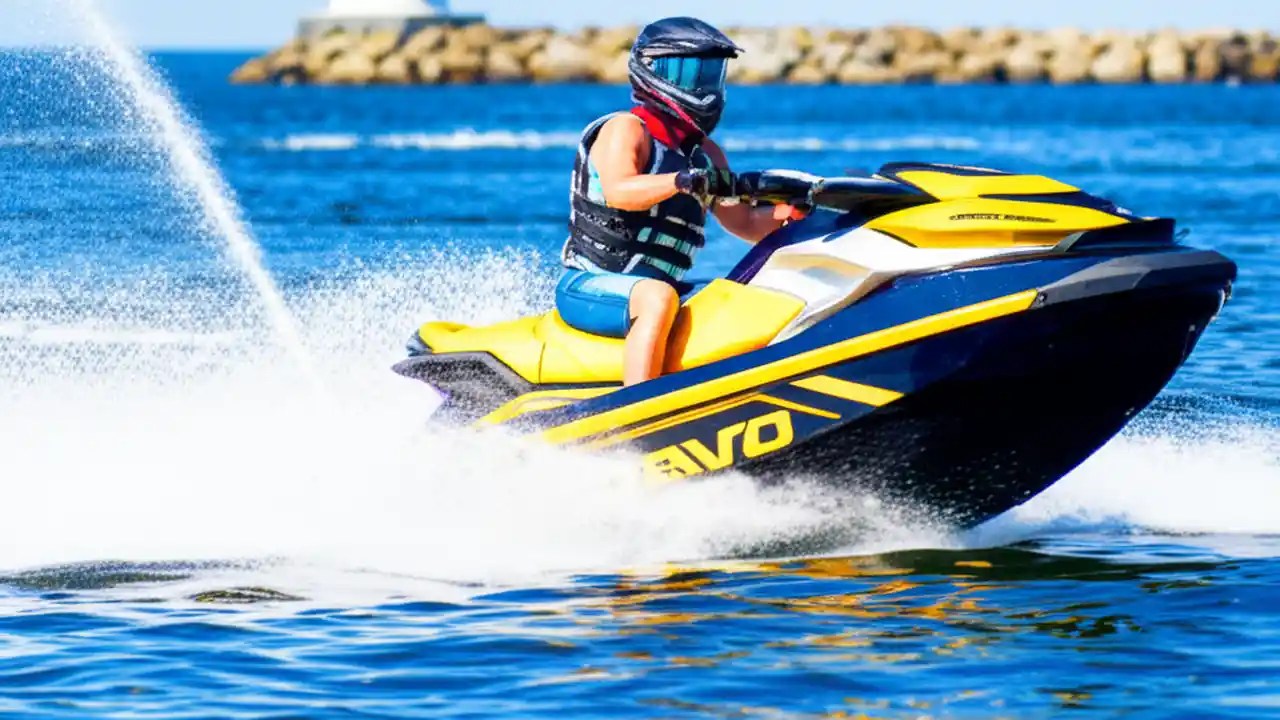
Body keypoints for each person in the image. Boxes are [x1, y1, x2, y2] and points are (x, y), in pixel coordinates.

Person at [555, 16, 804, 386]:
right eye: (690, 74)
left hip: (660, 289)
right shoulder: (626, 129)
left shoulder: (707, 155)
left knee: (740, 301)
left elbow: (746, 223)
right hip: (590, 286)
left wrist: (792, 213)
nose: (705, 89)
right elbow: (621, 191)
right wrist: (681, 181)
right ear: (653, 71)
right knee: (656, 298)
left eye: (712, 74)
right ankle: (638, 405)